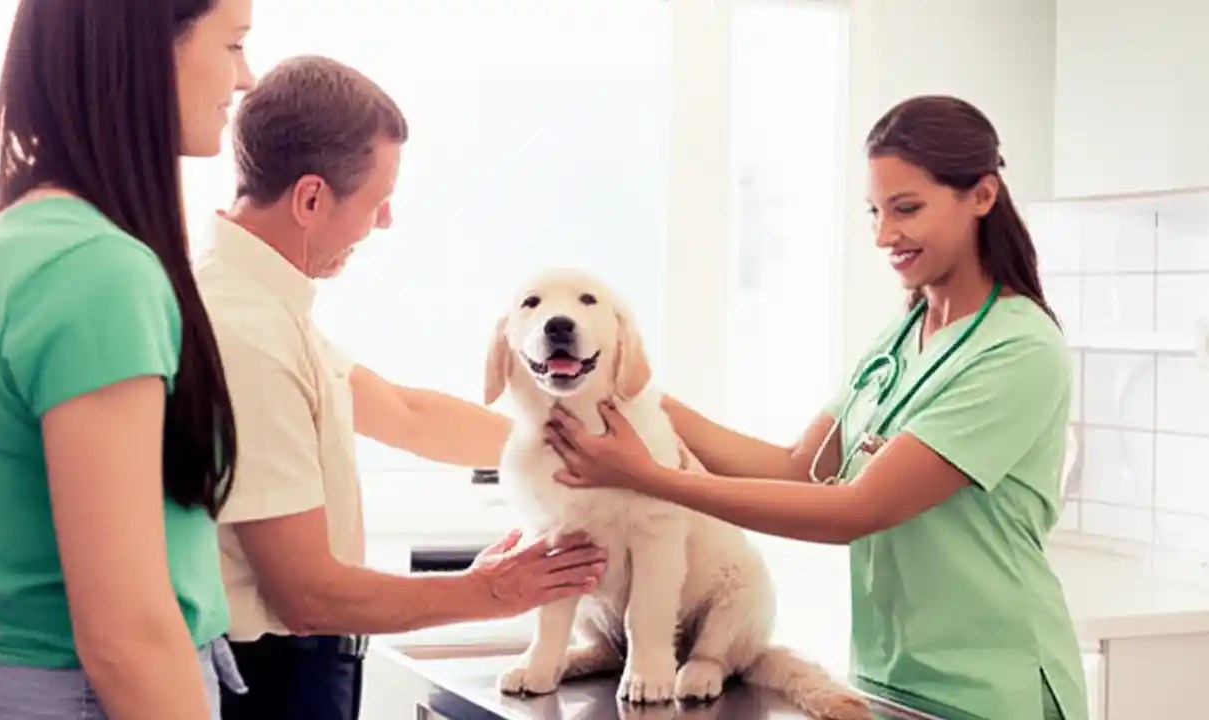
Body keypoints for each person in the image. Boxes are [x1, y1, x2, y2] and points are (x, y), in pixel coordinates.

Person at [543, 95, 1088, 720]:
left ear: (982, 197)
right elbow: (801, 467)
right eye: (875, 212)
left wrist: (649, 477)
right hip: (891, 677)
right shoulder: (904, 335)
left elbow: (855, 509)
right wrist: (637, 392)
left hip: (994, 688)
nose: (885, 236)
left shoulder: (1017, 348)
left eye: (907, 209)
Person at [193, 55, 606, 720]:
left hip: (297, 668)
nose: (383, 221)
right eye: (376, 199)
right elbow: (305, 595)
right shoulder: (245, 331)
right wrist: (490, 593)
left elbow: (406, 414)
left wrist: (586, 448)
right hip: (271, 678)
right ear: (310, 199)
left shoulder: (262, 302)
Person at [0, 1, 256, 718]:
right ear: (148, 51)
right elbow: (124, 634)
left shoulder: (25, 241)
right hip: (93, 694)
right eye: (232, 44)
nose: (246, 76)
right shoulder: (96, 271)